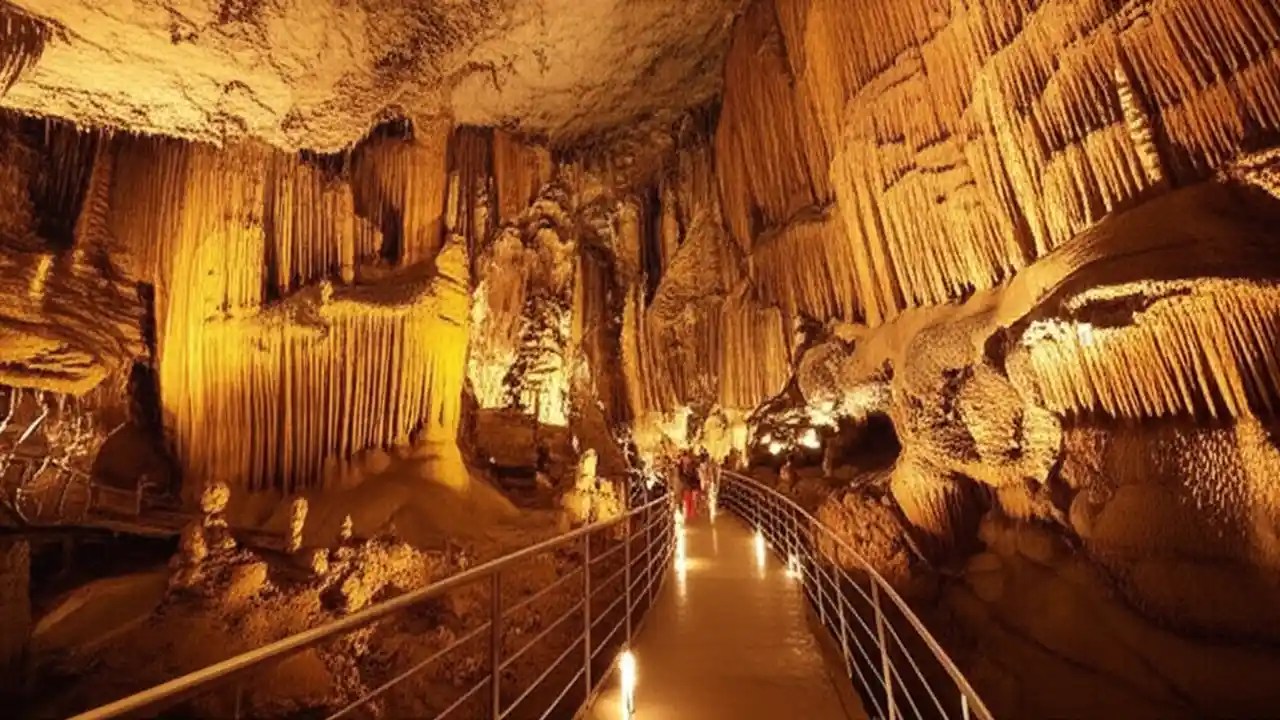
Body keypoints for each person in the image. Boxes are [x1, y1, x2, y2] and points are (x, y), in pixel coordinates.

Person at [680, 450, 702, 519]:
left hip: (688, 487)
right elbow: (697, 478)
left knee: (689, 503)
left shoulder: (686, 467)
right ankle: (691, 516)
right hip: (691, 487)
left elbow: (684, 477)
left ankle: (689, 517)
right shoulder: (693, 468)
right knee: (692, 502)